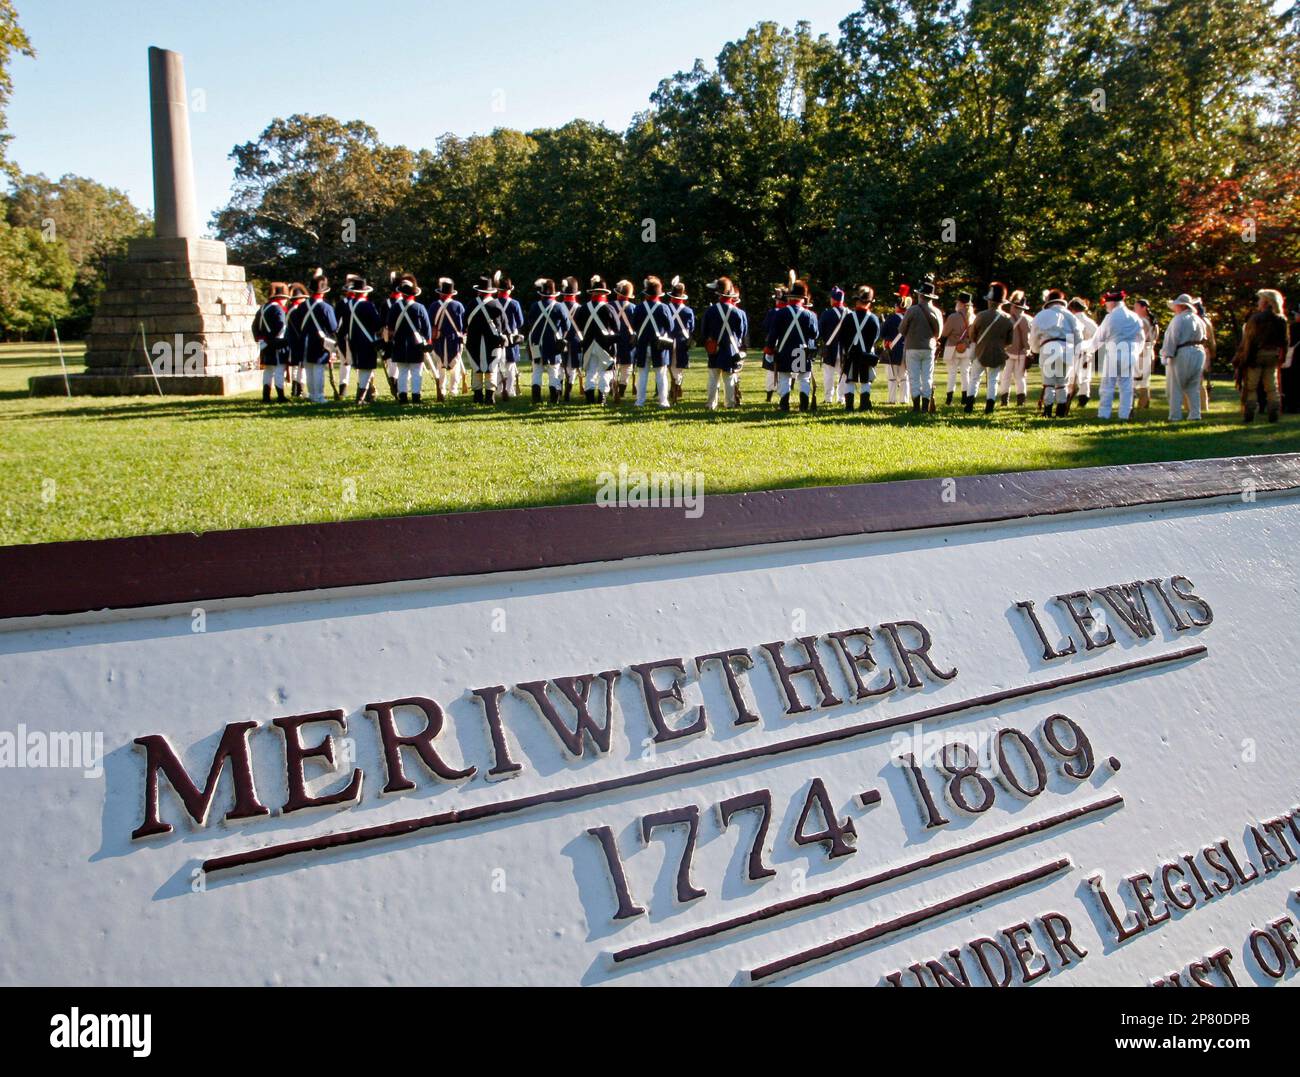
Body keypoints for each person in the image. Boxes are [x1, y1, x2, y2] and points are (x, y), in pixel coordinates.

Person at [1234, 288, 1289, 423]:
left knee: (1251, 386)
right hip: (1273, 354)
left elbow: (1248, 341)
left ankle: (1249, 413)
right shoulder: (1281, 319)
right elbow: (1285, 341)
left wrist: (1242, 358)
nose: (1258, 302)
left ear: (1266, 302)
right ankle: (1274, 413)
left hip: (1255, 355)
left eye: (1260, 300)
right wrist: (1282, 356)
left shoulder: (1256, 319)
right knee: (1272, 386)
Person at [766, 277, 820, 411]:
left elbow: (773, 334)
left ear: (789, 297)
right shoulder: (810, 315)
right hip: (802, 350)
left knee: (784, 377)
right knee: (804, 378)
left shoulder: (780, 313)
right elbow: (815, 334)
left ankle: (784, 405)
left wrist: (769, 349)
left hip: (785, 349)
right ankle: (804, 405)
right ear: (803, 298)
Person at [1091, 288, 1144, 421]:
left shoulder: (1110, 317)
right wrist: (1136, 352)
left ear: (1112, 303)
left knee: (1107, 385)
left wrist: (1089, 350)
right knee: (1126, 386)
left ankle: (1104, 414)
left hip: (1114, 352)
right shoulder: (1134, 316)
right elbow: (1141, 337)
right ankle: (1124, 414)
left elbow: (1099, 338)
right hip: (1130, 352)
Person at [288, 270, 339, 404]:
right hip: (319, 342)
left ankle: (312, 394)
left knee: (309, 369)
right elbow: (333, 327)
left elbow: (297, 323)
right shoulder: (326, 307)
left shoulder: (302, 306)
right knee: (317, 369)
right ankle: (319, 396)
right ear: (324, 291)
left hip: (304, 340)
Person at [1029, 288, 1080, 418]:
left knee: (1049, 382)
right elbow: (1078, 336)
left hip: (1048, 347)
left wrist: (1035, 350)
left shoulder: (1041, 315)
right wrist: (1075, 351)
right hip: (1066, 348)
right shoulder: (1070, 316)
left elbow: (1034, 336)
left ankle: (1047, 411)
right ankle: (1061, 411)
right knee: (1062, 382)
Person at [383, 273, 433, 403]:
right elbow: (426, 328)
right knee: (416, 372)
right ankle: (416, 396)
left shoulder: (394, 307)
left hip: (399, 344)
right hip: (416, 344)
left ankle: (403, 396)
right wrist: (427, 341)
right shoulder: (419, 308)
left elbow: (390, 327)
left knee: (402, 372)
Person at [701, 276, 747, 410]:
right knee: (729, 378)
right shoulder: (739, 312)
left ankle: (711, 404)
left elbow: (704, 332)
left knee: (713, 378)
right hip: (731, 349)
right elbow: (742, 333)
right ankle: (730, 403)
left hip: (714, 348)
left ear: (718, 293)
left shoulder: (710, 311)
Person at [1160, 293, 1207, 422]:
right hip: (1198, 352)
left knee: (1175, 386)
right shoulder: (1198, 319)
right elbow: (1204, 337)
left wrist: (1167, 354)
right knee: (1193, 385)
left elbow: (1172, 338)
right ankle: (1195, 414)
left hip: (1183, 352)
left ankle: (1175, 415)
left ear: (1180, 306)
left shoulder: (1179, 319)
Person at [463, 274, 509, 404]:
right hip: (493, 343)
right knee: (491, 369)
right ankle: (490, 397)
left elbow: (464, 323)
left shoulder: (471, 304)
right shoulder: (496, 305)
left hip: (473, 342)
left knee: (476, 369)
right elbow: (504, 325)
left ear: (479, 290)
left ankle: (477, 396)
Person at [630, 275, 675, 408]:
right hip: (659, 345)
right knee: (661, 375)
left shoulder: (638, 308)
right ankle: (663, 401)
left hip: (643, 344)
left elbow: (634, 326)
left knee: (642, 375)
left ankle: (640, 401)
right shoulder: (664, 308)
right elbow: (671, 327)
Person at [898, 279, 942, 413]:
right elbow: (938, 333)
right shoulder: (936, 312)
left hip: (912, 347)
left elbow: (901, 329)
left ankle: (916, 406)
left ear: (920, 295)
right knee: (927, 377)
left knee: (914, 377)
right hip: (929, 347)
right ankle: (925, 406)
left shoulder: (912, 310)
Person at [526, 278, 573, 404]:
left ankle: (536, 399)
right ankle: (554, 399)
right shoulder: (558, 306)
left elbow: (529, 322)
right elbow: (567, 326)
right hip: (553, 344)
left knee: (537, 371)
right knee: (554, 371)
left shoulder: (535, 306)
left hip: (536, 343)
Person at [970, 282, 1014, 414]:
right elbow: (1009, 341)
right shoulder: (1007, 319)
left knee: (974, 378)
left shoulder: (981, 316)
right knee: (993, 380)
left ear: (989, 301)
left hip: (981, 351)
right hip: (998, 352)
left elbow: (973, 335)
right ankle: (989, 406)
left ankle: (969, 404)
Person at [337, 276, 382, 403]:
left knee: (361, 369)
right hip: (367, 342)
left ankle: (364, 395)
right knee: (366, 369)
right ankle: (361, 397)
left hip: (352, 342)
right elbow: (377, 324)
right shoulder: (368, 305)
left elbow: (343, 328)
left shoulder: (348, 305)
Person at [576, 275, 619, 404]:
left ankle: (589, 398)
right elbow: (617, 327)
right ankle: (602, 398)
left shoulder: (583, 308)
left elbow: (579, 325)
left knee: (590, 371)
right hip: (605, 344)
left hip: (588, 344)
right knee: (605, 372)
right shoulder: (609, 308)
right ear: (604, 293)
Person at [839, 285, 881, 411]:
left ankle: (849, 406)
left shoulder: (849, 318)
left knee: (850, 380)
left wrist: (847, 350)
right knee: (865, 380)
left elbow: (842, 337)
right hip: (866, 354)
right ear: (869, 302)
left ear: (857, 300)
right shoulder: (873, 319)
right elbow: (876, 337)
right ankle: (864, 405)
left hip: (851, 353)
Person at [428, 277, 465, 401]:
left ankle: (441, 389)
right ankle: (453, 390)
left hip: (438, 339)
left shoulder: (433, 306)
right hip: (454, 340)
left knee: (440, 366)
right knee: (455, 367)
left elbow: (430, 324)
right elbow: (462, 325)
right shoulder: (458, 306)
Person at [254, 282, 291, 402]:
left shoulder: (262, 308)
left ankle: (266, 396)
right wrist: (271, 339)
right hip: (277, 343)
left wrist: (260, 338)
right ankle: (281, 396)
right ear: (281, 298)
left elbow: (254, 326)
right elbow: (281, 326)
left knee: (268, 370)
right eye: (285, 298)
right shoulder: (278, 309)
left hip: (265, 343)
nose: (286, 301)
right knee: (279, 370)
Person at [939, 291, 973, 407]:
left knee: (952, 374)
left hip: (953, 347)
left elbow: (945, 333)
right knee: (965, 374)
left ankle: (949, 399)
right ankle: (965, 399)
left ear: (961, 303)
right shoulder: (973, 317)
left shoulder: (953, 317)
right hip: (967, 348)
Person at [998, 291, 1032, 406]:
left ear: (1013, 306)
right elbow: (1027, 338)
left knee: (1005, 377)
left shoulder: (1006, 319)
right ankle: (1020, 401)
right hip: (1021, 353)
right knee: (1020, 378)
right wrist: (1028, 350)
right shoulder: (1027, 320)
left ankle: (1004, 401)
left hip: (1007, 352)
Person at [665, 277, 695, 404]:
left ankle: (674, 387)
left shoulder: (665, 308)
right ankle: (677, 386)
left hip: (668, 340)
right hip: (682, 341)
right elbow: (691, 328)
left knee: (668, 366)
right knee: (679, 366)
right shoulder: (688, 311)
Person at [818, 286, 849, 406]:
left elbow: (820, 332)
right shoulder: (849, 313)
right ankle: (841, 398)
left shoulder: (827, 314)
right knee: (844, 375)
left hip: (830, 348)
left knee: (828, 375)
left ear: (833, 299)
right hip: (844, 349)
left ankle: (828, 398)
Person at [880, 287, 911, 404]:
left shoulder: (891, 318)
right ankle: (904, 400)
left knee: (892, 377)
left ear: (897, 306)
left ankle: (892, 400)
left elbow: (882, 334)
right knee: (904, 377)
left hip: (892, 350)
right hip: (907, 349)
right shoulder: (910, 318)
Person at [496, 274, 525, 399]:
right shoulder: (514, 304)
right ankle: (510, 390)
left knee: (497, 365)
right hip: (511, 338)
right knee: (510, 366)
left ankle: (498, 390)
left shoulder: (492, 303)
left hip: (497, 338)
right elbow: (520, 322)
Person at [1066, 297, 1098, 409]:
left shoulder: (1070, 321)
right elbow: (1097, 338)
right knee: (1085, 377)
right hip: (1086, 353)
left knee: (1070, 377)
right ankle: (1084, 397)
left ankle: (1068, 397)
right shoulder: (1091, 322)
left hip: (1072, 352)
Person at [609, 280, 637, 405]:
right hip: (627, 340)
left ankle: (611, 387)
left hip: (612, 339)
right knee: (627, 367)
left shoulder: (609, 306)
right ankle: (621, 389)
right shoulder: (633, 308)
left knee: (611, 366)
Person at [558, 276, 584, 401]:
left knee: (560, 367)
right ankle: (567, 393)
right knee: (572, 367)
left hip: (560, 339)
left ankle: (559, 391)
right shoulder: (580, 308)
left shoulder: (557, 306)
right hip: (575, 339)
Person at [762, 285, 787, 402]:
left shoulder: (773, 312)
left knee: (770, 372)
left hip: (773, 343)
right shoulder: (789, 312)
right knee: (785, 373)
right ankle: (784, 396)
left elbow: (766, 327)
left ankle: (769, 397)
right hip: (786, 344)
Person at [1133, 298, 1158, 411]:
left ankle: (1140, 403)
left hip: (1142, 351)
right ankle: (1144, 402)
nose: (1134, 309)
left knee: (1137, 378)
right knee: (1145, 379)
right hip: (1149, 350)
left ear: (1144, 308)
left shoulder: (1142, 322)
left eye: (1136, 307)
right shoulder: (1154, 323)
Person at [1196, 298, 1216, 414]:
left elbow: (1210, 340)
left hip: (1202, 350)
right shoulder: (1205, 320)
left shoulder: (1202, 321)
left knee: (1198, 380)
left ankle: (1203, 405)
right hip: (1205, 351)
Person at [1283, 302, 1300, 414]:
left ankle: (1291, 406)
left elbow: (1288, 342)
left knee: (1292, 383)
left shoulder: (1293, 328)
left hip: (1295, 360)